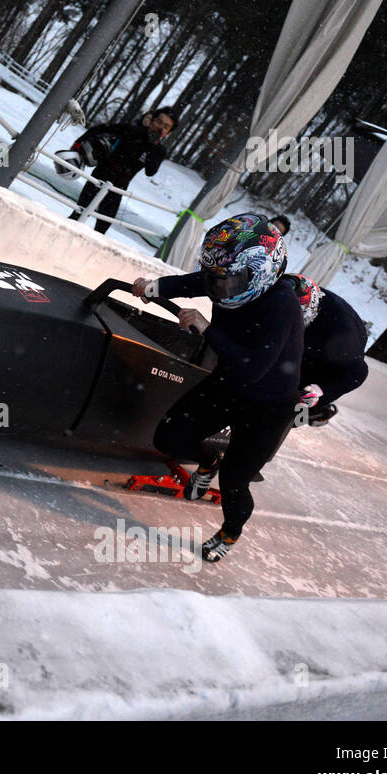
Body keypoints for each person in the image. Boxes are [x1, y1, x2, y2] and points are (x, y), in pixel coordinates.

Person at [132, 213, 301, 563]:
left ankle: (230, 531)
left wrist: (207, 329)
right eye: (218, 280)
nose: (219, 290)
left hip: (266, 407)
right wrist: (156, 287)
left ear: (261, 272)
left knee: (235, 483)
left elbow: (253, 367)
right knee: (169, 438)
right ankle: (207, 462)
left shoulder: (282, 306)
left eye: (228, 282)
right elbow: (201, 282)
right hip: (228, 384)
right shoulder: (225, 279)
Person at [69, 107, 177, 234]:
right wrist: (78, 144)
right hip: (101, 175)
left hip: (119, 187)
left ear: (169, 132)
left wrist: (152, 147)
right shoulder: (131, 131)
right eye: (159, 122)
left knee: (103, 226)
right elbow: (100, 128)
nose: (160, 128)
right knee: (79, 213)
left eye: (166, 127)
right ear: (152, 120)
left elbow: (150, 171)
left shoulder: (160, 150)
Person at [284, 274, 369, 426]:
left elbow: (358, 373)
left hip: (326, 354)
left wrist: (321, 391)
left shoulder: (342, 338)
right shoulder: (277, 289)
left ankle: (316, 412)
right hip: (314, 335)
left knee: (297, 402)